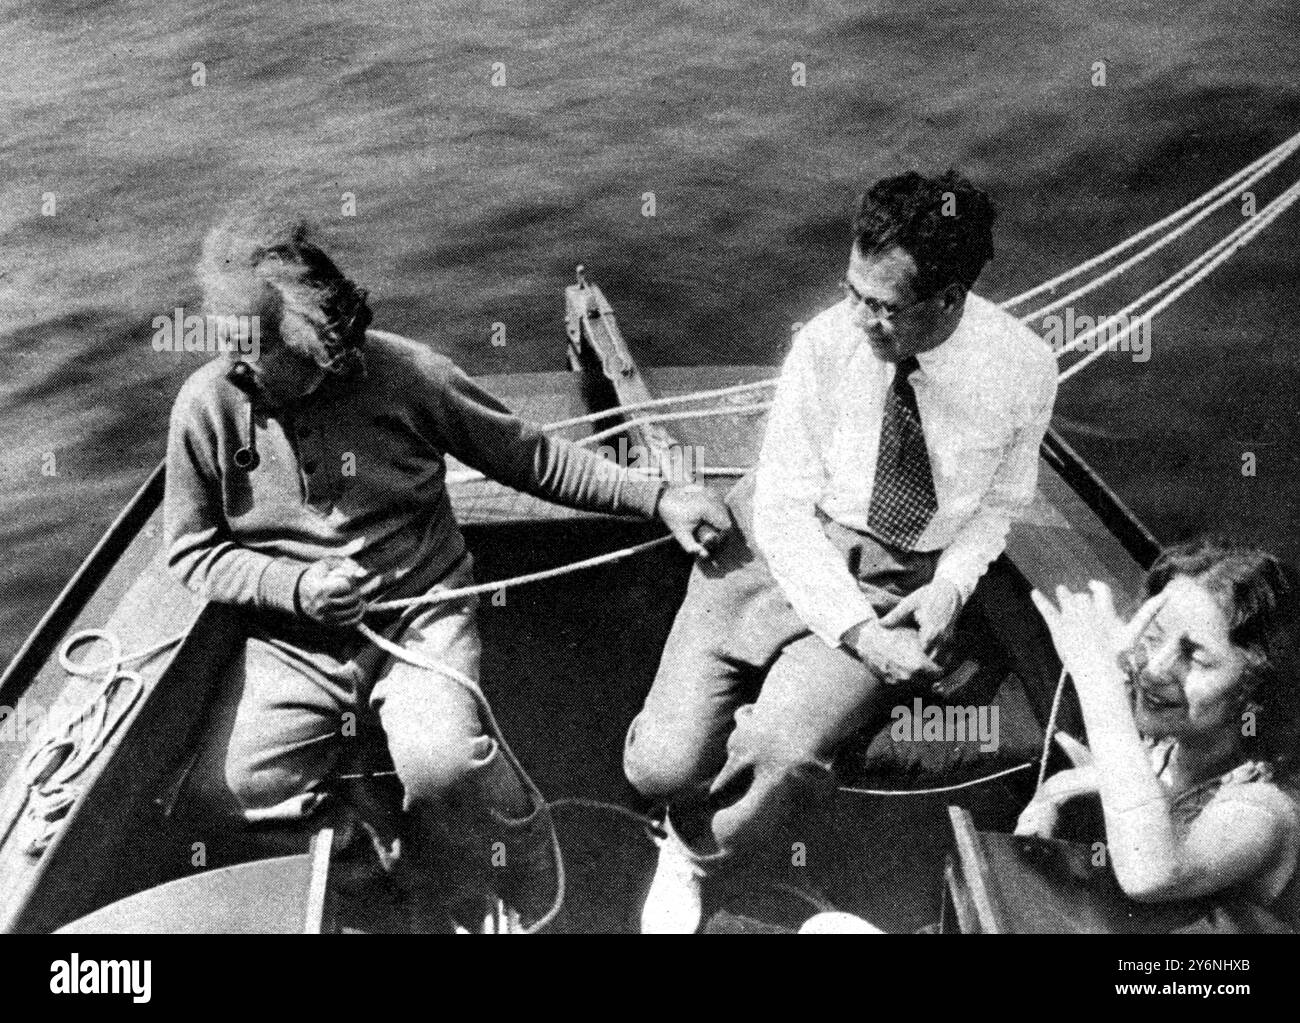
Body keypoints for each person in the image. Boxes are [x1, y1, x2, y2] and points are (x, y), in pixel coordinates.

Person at [163, 203, 731, 931]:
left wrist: (658, 497)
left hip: (420, 612)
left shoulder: (408, 374)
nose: (237, 373)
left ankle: (521, 856)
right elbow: (192, 549)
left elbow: (529, 456)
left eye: (257, 357)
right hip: (293, 640)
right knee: (247, 782)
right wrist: (295, 587)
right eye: (229, 351)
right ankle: (380, 874)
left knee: (444, 765)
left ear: (321, 347)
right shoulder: (204, 406)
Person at [624, 170, 1059, 932]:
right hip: (771, 548)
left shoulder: (1023, 368)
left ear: (950, 298)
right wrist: (861, 638)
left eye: (884, 306)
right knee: (656, 766)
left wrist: (951, 586)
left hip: (896, 571)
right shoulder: (825, 347)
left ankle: (691, 852)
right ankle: (698, 777)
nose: (858, 317)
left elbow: (999, 506)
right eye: (852, 291)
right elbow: (783, 508)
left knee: (783, 749)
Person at [1020, 538, 1300, 929]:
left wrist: (1100, 683)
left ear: (1256, 690)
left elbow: (1150, 874)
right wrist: (1051, 798)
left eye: (1196, 657)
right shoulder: (1168, 747)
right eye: (1152, 638)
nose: (1154, 669)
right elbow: (1107, 786)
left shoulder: (1263, 810)